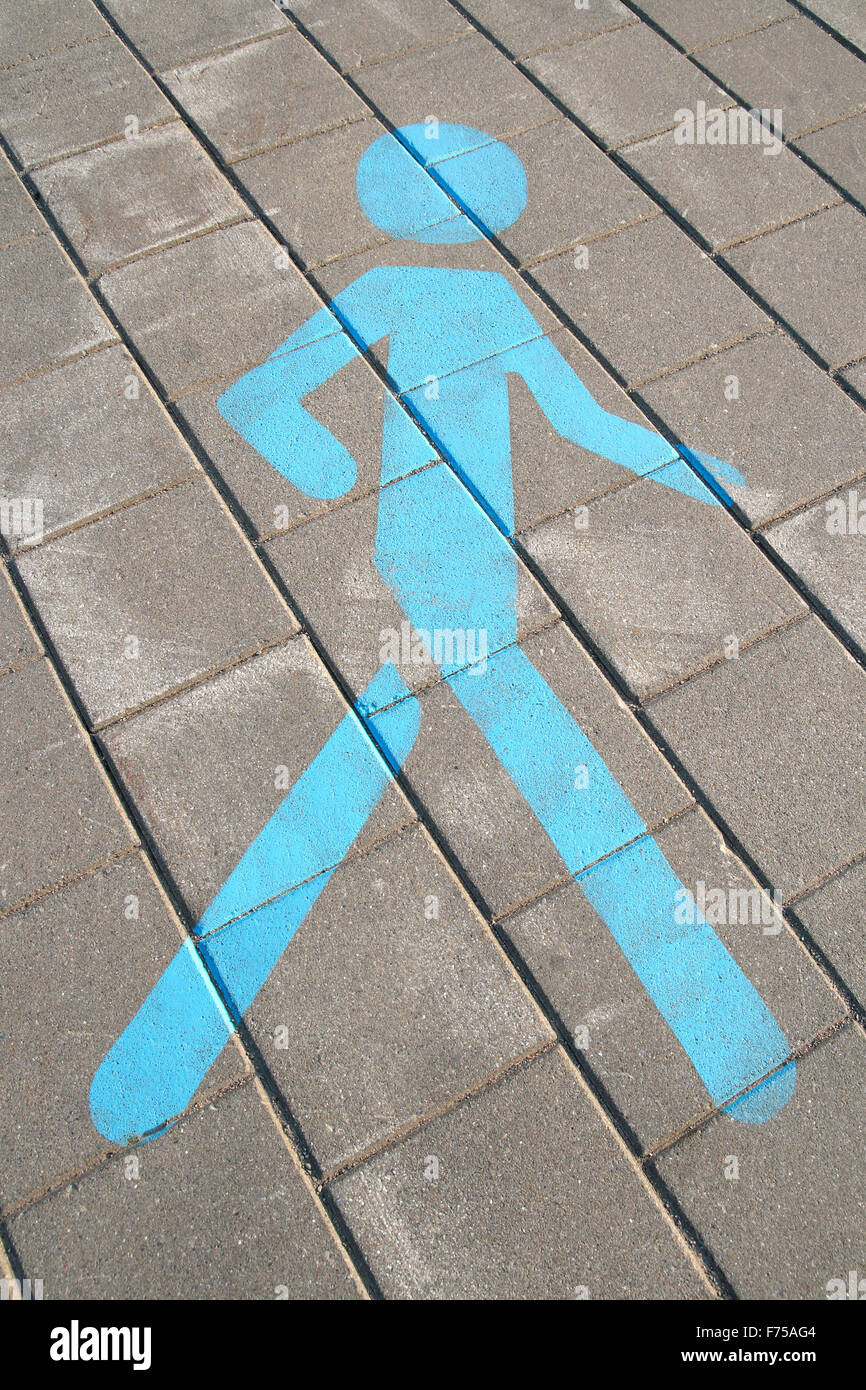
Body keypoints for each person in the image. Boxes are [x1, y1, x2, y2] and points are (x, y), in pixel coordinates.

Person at [90, 124, 793, 1145]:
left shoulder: (413, 292)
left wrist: (692, 468)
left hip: (446, 568)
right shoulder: (432, 295)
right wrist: (693, 470)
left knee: (409, 748)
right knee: (534, 755)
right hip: (444, 572)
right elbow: (575, 423)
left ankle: (166, 1052)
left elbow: (273, 398)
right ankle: (720, 1029)